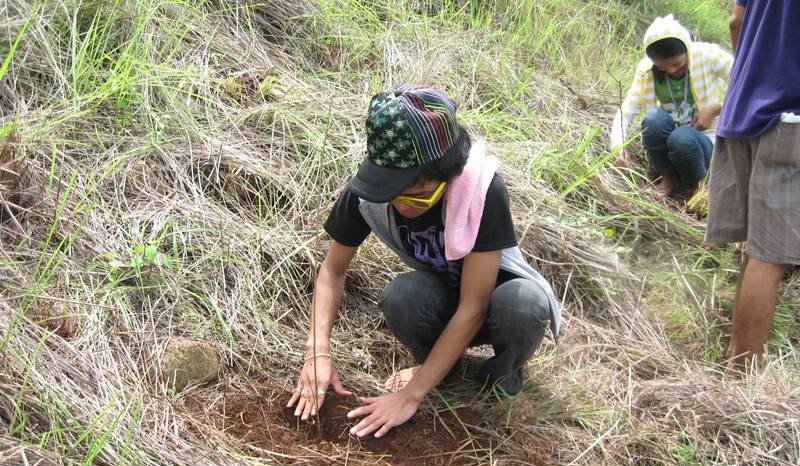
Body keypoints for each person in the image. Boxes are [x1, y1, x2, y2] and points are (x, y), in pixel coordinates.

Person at [287, 84, 560, 438]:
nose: (399, 205)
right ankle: (442, 370)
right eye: (392, 193)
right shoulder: (372, 190)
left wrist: (409, 397)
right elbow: (332, 270)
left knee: (523, 303)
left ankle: (502, 376)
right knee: (402, 297)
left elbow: (474, 305)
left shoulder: (483, 190)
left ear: (451, 175)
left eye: (415, 196)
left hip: (494, 306)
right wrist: (317, 352)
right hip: (446, 299)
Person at [705, 0, 800, 376]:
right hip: (788, 116)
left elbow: (736, 21)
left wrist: (752, 78)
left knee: (757, 249)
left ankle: (735, 358)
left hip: (742, 108)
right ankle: (743, 379)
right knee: (772, 256)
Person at [610, 15, 733, 200]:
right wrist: (617, 144)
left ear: (687, 51)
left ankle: (693, 186)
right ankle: (668, 178)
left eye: (677, 64)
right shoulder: (646, 71)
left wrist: (715, 110)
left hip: (701, 142)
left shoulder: (707, 56)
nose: (672, 71)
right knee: (653, 119)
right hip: (669, 145)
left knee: (681, 138)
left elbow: (747, 86)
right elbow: (626, 110)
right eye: (662, 67)